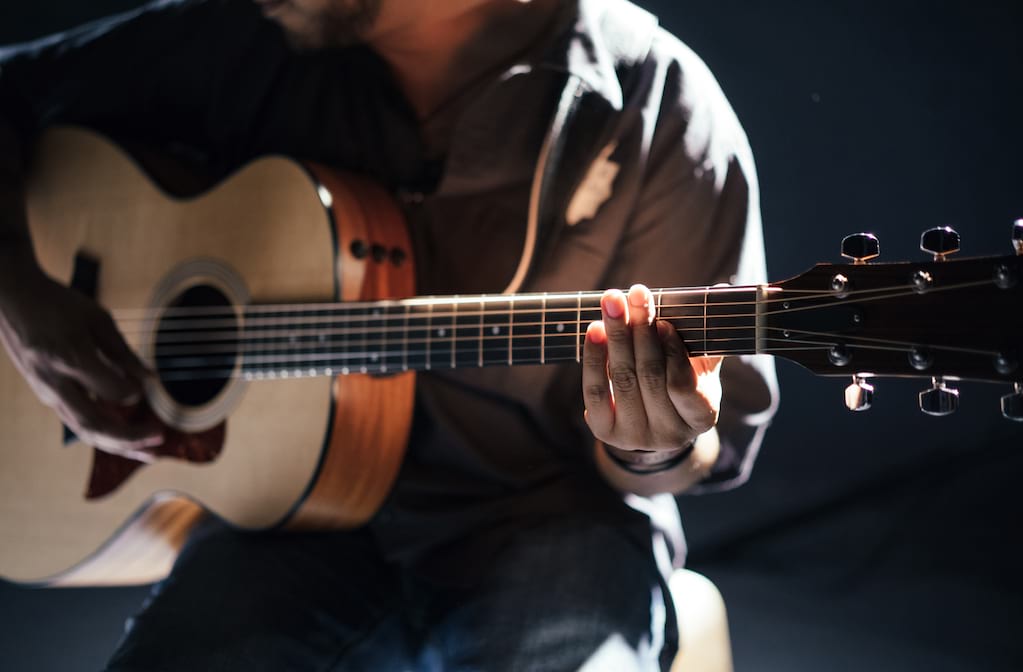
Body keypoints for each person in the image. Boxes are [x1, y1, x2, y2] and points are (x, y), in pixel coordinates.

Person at [0, 0, 778, 669]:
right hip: (287, 524)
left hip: (549, 519)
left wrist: (653, 439)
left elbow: (693, 449)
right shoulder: (248, 37)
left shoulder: (658, 106)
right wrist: (20, 293)